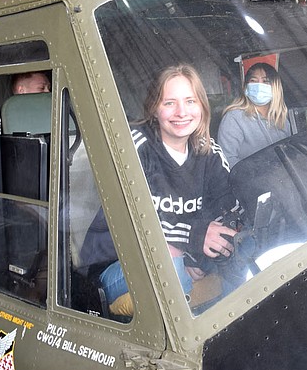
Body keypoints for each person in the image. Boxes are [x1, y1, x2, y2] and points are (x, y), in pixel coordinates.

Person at [89, 64, 243, 314]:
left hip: (180, 257)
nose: (182, 112)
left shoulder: (209, 151)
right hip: (117, 262)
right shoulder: (135, 147)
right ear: (154, 109)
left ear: (202, 107)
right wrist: (190, 243)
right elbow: (132, 220)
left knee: (239, 261)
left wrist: (193, 254)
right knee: (172, 271)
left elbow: (227, 207)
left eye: (190, 101)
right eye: (169, 102)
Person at [218, 62, 290, 167]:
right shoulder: (234, 118)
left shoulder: (281, 119)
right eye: (253, 81)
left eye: (265, 81)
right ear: (246, 87)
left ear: (276, 87)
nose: (259, 86)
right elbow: (227, 160)